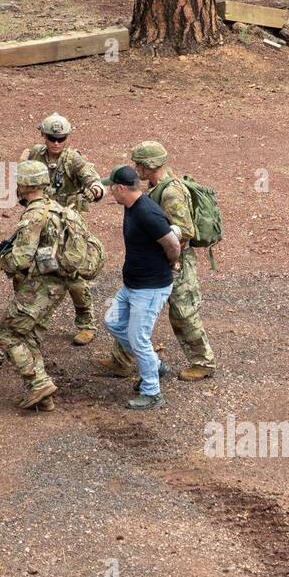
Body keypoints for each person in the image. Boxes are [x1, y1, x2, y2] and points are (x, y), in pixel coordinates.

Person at [99, 142, 216, 383]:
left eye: (139, 164)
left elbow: (185, 231)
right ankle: (122, 361)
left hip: (176, 263)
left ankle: (203, 362)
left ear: (150, 166)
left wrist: (171, 258)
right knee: (134, 312)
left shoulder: (171, 192)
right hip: (159, 260)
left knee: (183, 313)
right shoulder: (154, 186)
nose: (136, 168)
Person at [98, 165, 183, 411]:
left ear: (121, 188)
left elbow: (172, 243)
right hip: (132, 285)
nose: (110, 192)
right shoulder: (130, 206)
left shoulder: (147, 212)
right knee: (112, 322)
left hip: (150, 288)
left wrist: (171, 262)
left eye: (112, 188)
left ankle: (152, 392)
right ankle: (154, 365)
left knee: (138, 340)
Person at [20, 113, 105, 344]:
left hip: (68, 227)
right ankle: (31, 318)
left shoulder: (73, 160)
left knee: (72, 274)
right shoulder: (34, 155)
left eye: (61, 138)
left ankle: (86, 323)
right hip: (40, 222)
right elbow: (18, 183)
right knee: (30, 268)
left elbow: (94, 180)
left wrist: (94, 190)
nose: (56, 143)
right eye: (51, 138)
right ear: (43, 135)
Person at [0, 160, 71, 411]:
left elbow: (21, 259)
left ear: (25, 186)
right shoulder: (55, 207)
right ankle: (44, 397)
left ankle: (38, 382)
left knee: (8, 333)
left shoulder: (34, 214)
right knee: (31, 335)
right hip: (58, 284)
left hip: (40, 286)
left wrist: (1, 261)